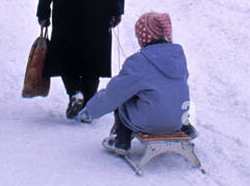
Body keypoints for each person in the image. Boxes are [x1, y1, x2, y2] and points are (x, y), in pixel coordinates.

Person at [77, 11, 193, 155]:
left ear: (144, 37)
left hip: (150, 122)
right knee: (170, 92)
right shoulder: (178, 57)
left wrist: (90, 111)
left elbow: (113, 94)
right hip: (178, 120)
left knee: (124, 95)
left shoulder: (139, 62)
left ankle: (121, 140)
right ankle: (187, 127)